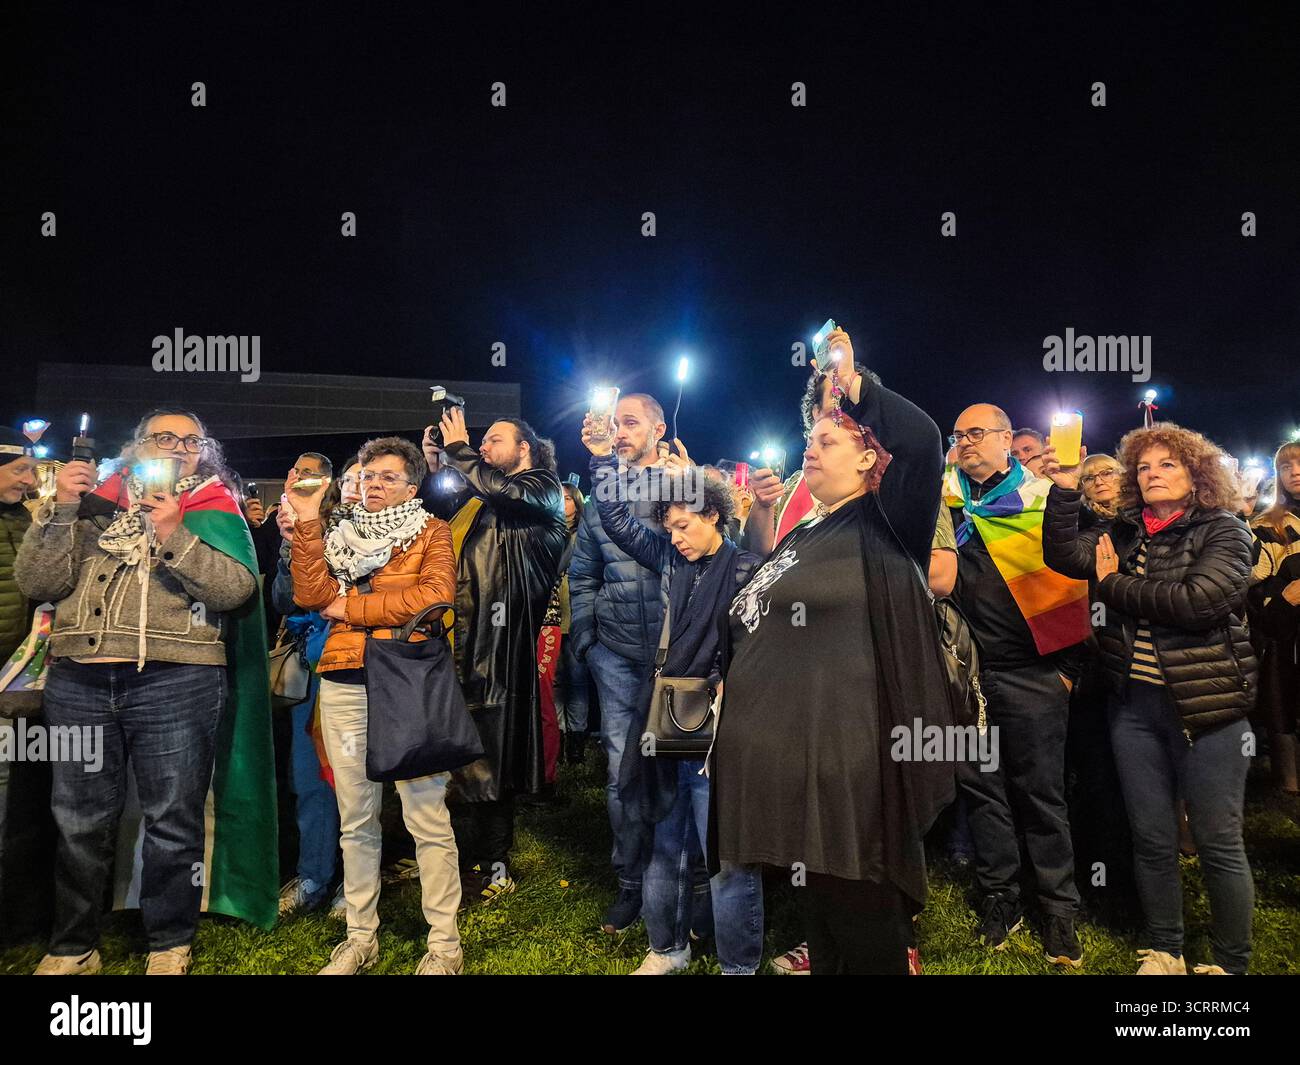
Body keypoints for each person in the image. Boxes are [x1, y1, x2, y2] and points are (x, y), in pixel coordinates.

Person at [713, 327, 955, 975]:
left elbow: (923, 442)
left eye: (827, 440)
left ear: (870, 458)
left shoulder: (885, 523)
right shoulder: (809, 531)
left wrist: (853, 386)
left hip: (856, 773)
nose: (809, 448)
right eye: (809, 438)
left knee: (862, 919)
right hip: (805, 769)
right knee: (827, 929)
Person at [16, 409, 271, 975]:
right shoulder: (90, 502)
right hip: (80, 677)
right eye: (163, 438)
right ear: (137, 446)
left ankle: (168, 941)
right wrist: (58, 512)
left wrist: (173, 532)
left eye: (190, 440)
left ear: (203, 451)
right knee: (78, 819)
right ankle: (73, 946)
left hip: (177, 679)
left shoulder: (212, 506)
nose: (177, 447)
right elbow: (39, 583)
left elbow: (235, 591)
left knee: (172, 818)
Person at [1041, 422, 1258, 975]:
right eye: (1144, 466)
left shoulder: (1225, 530)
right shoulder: (1128, 528)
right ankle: (1167, 949)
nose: (1152, 474)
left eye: (1167, 464)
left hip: (1206, 712)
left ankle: (1230, 964)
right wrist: (1065, 488)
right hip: (1134, 708)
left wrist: (1112, 587)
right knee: (1152, 836)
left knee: (1217, 841)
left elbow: (1198, 601)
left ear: (1197, 474)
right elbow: (1066, 555)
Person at [584, 424, 764, 974]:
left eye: (685, 525)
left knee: (728, 855)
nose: (677, 536)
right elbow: (615, 521)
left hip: (720, 729)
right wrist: (603, 464)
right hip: (664, 720)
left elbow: (756, 656)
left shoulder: (746, 570)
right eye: (670, 527)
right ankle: (666, 948)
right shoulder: (668, 558)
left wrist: (727, 684)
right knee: (666, 837)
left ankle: (738, 962)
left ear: (713, 515)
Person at [290, 435, 463, 975]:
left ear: (413, 486)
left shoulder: (431, 531)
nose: (374, 486)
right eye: (367, 476)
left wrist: (353, 607)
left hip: (406, 681)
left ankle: (444, 946)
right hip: (345, 681)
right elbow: (310, 596)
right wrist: (306, 525)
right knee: (355, 817)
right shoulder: (336, 533)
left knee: (426, 816)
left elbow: (434, 596)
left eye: (388, 477)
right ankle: (360, 937)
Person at [944, 404, 1090, 964]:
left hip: (1035, 674)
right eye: (958, 435)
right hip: (969, 679)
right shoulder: (944, 500)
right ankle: (999, 899)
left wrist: (1065, 672)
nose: (965, 442)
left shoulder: (1039, 498)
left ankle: (1059, 910)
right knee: (983, 793)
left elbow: (1075, 582)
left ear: (1008, 439)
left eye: (977, 433)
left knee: (1042, 796)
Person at [422, 409, 566, 905]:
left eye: (494, 440)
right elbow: (434, 518)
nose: (482, 446)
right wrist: (433, 462)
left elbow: (503, 492)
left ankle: (497, 863)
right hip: (460, 640)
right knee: (461, 748)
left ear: (524, 447)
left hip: (500, 645)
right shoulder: (481, 497)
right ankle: (460, 854)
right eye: (479, 442)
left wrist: (460, 449)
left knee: (494, 756)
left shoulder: (542, 488)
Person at [566, 393, 671, 932]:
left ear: (658, 428)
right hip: (616, 653)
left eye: (631, 423)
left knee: (678, 766)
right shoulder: (596, 500)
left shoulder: (683, 487)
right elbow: (581, 573)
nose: (620, 431)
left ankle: (681, 883)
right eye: (615, 422)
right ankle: (631, 882)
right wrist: (586, 636)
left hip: (678, 655)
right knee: (619, 772)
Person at [270, 452, 340, 915]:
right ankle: (314, 876)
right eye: (294, 471)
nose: (300, 478)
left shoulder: (354, 523)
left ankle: (356, 880)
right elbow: (281, 598)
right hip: (307, 673)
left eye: (311, 473)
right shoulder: (287, 528)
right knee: (309, 778)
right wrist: (288, 543)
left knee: (352, 780)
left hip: (351, 666)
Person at [0, 429, 50, 944]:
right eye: (21, 471)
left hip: (19, 679)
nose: (31, 481)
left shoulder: (27, 519)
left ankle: (21, 914)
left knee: (20, 798)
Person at [1248, 441, 1300, 794]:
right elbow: (1246, 583)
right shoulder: (1269, 525)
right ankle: (1290, 783)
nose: (1294, 471)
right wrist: (1282, 600)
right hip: (1287, 641)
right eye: (1286, 466)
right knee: (1286, 706)